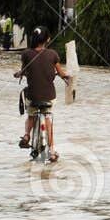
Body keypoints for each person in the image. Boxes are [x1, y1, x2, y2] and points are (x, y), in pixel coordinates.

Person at [15, 26, 70, 162]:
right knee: (48, 120)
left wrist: (19, 74)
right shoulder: (53, 54)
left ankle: (27, 135)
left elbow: (23, 71)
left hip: (33, 96)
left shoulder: (26, 54)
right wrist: (66, 77)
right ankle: (52, 152)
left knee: (31, 114)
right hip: (49, 96)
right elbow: (62, 74)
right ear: (47, 39)